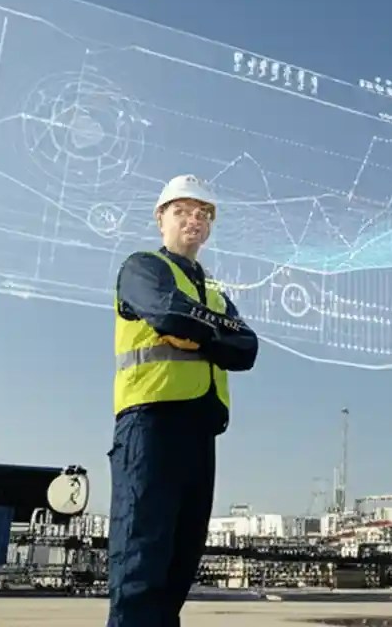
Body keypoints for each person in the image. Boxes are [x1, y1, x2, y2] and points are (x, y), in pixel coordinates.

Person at [107, 174, 259, 627]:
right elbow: (168, 312)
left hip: (199, 432)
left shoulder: (213, 290)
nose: (194, 219)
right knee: (141, 559)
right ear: (160, 218)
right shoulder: (142, 268)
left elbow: (247, 348)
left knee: (179, 563)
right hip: (149, 424)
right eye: (181, 210)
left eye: (203, 213)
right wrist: (216, 334)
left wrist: (198, 333)